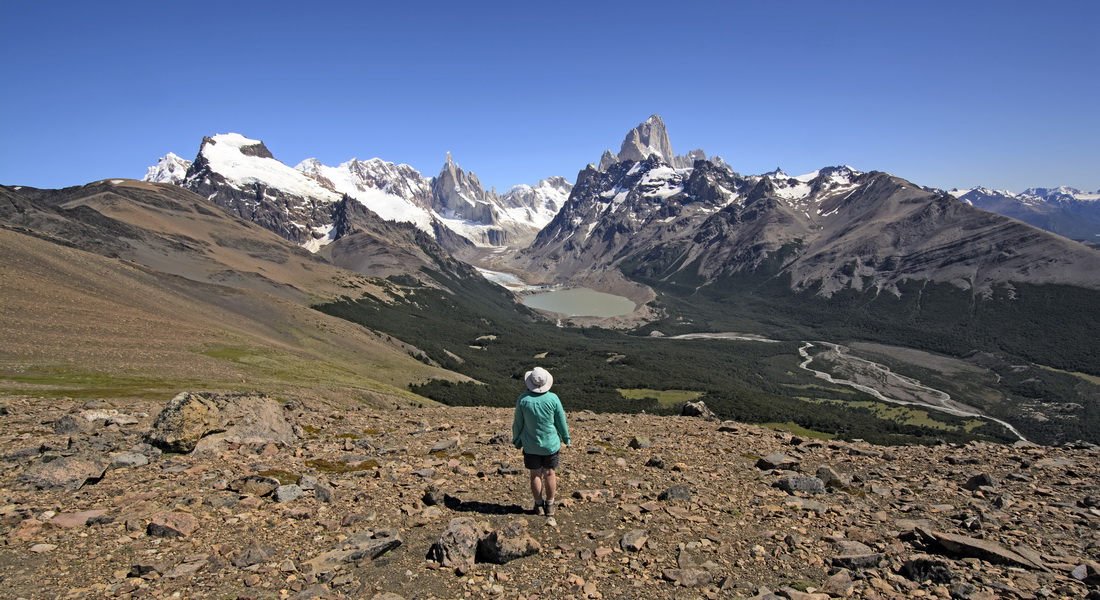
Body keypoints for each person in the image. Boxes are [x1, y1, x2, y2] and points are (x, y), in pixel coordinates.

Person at [512, 366, 570, 516]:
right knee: (550, 473)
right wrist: (566, 437)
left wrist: (516, 439)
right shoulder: (553, 398)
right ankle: (550, 505)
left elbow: (518, 423)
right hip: (550, 444)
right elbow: (560, 421)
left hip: (530, 445)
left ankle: (538, 505)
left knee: (535, 474)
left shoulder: (523, 399)